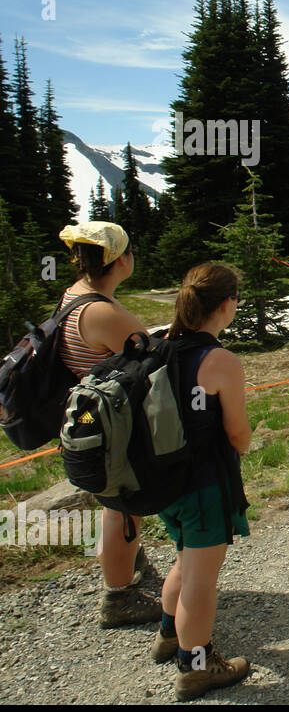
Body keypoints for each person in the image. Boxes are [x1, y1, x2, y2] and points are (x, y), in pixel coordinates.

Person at [55, 223, 160, 629]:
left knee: (113, 504)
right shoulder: (102, 311)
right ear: (120, 260)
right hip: (108, 429)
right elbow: (148, 357)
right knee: (120, 507)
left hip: (85, 419)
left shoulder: (74, 297)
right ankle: (120, 597)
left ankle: (133, 564)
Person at [157, 263, 252, 701]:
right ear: (227, 304)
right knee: (201, 578)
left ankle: (168, 633)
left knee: (185, 559)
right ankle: (195, 665)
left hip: (164, 481)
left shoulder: (159, 348)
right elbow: (238, 435)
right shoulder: (219, 361)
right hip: (205, 484)